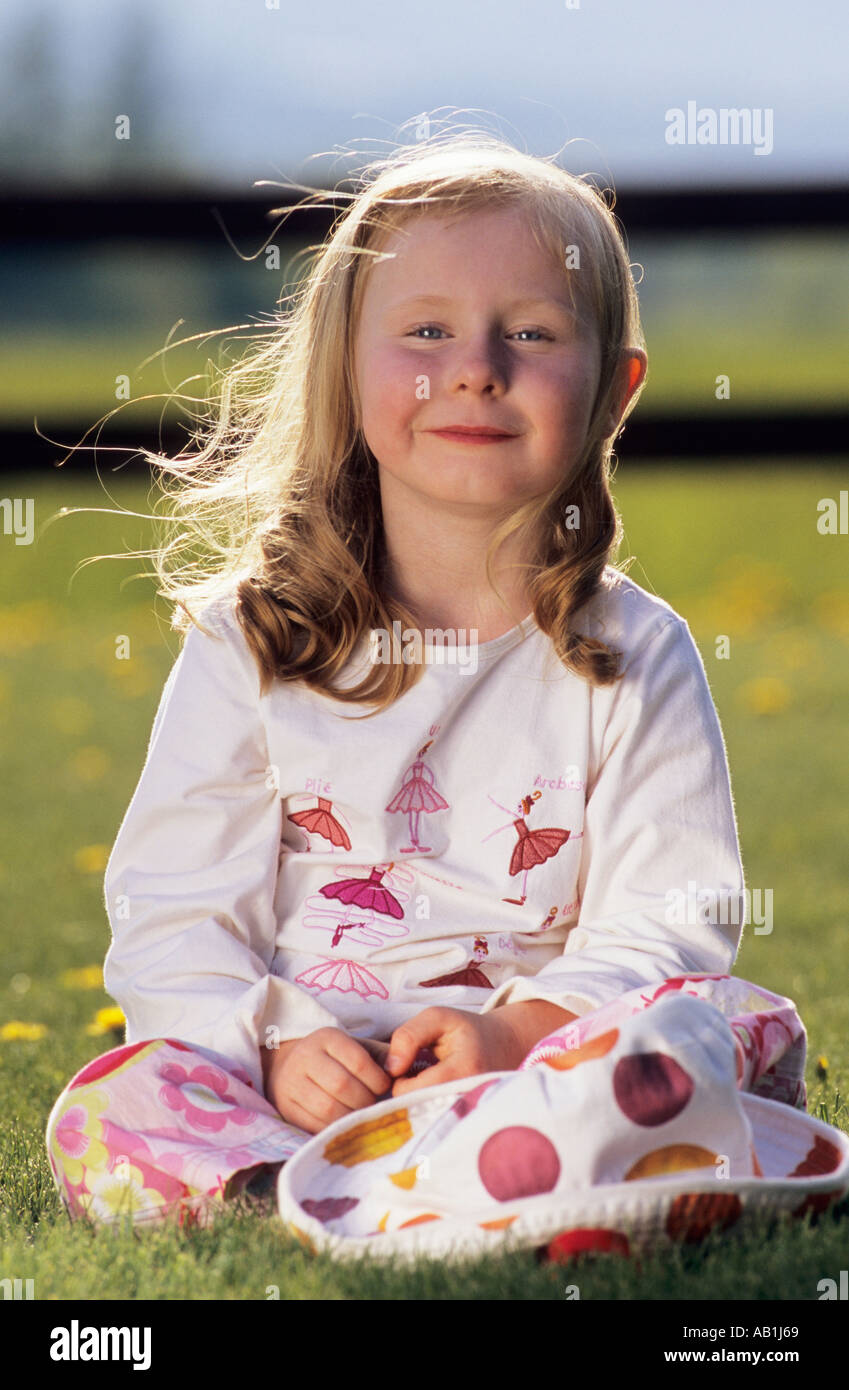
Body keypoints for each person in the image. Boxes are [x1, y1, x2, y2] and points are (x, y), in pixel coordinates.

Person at [45, 131, 761, 1228]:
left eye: (531, 331)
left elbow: (667, 923)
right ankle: (321, 1189)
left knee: (722, 1021)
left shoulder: (634, 652)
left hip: (540, 1069)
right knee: (116, 1106)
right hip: (305, 1083)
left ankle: (483, 1175)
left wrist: (514, 1038)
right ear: (345, 367)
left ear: (615, 390)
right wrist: (276, 1039)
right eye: (426, 330)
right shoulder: (258, 640)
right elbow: (173, 914)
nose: (476, 366)